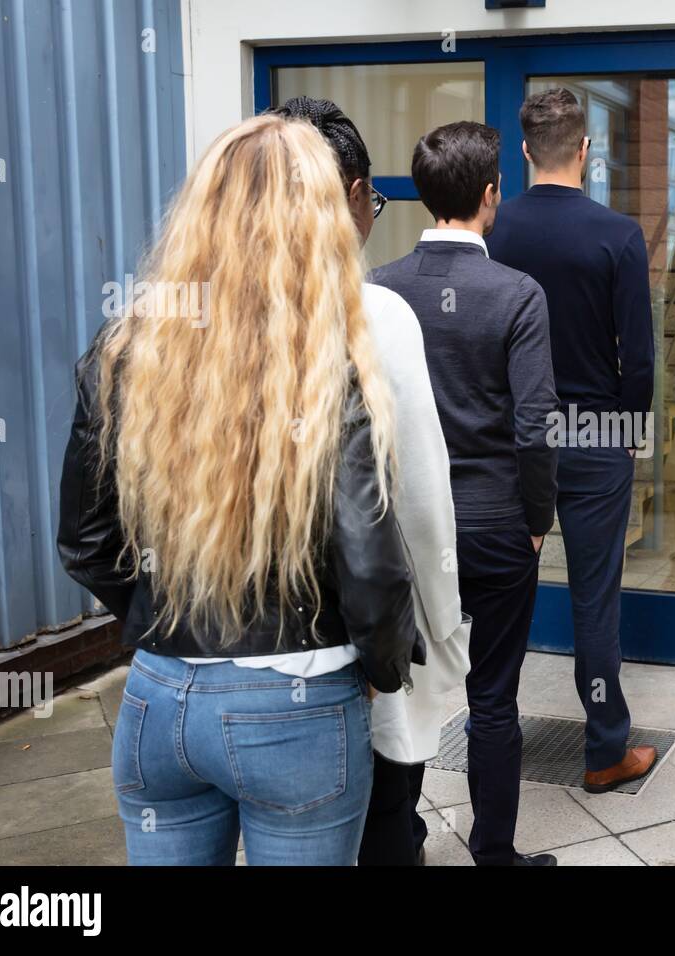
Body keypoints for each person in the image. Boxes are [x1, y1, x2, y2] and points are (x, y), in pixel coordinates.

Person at [56, 113, 419, 865]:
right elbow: (374, 572)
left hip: (158, 704)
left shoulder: (125, 352)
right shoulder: (330, 368)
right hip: (300, 708)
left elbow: (86, 543)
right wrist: (384, 673)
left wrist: (169, 618)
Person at [269, 96, 471, 867]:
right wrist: (441, 630)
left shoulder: (190, 316)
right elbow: (417, 502)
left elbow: (95, 534)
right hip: (349, 658)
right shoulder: (376, 315)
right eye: (374, 202)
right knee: (386, 824)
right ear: (352, 195)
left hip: (215, 665)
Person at [368, 120, 559, 866]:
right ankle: (495, 854)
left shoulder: (378, 288)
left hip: (410, 531)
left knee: (406, 688)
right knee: (494, 697)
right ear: (490, 196)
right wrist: (537, 520)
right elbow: (536, 424)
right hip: (497, 524)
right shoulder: (517, 295)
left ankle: (402, 839)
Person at [487, 88, 657, 793]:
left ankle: (490, 730)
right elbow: (639, 359)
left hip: (511, 435)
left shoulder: (494, 231)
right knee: (594, 599)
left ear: (525, 151)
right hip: (593, 433)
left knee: (500, 594)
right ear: (586, 149)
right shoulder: (618, 235)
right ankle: (603, 751)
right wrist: (630, 430)